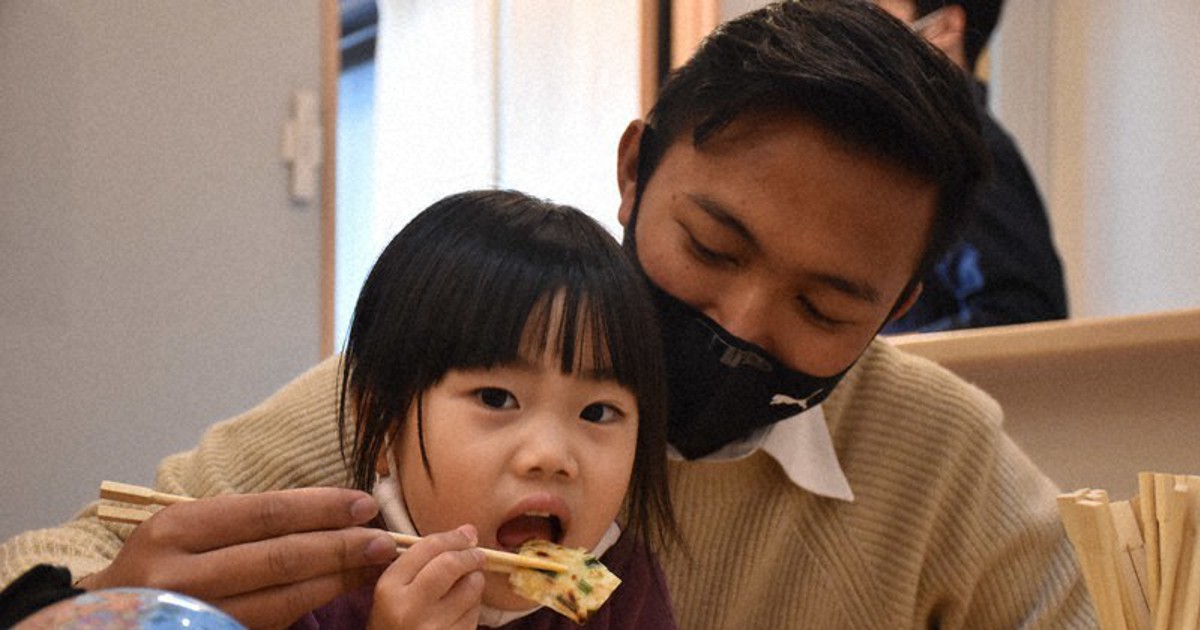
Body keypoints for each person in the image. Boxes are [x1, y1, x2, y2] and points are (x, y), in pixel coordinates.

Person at [0, 2, 1095, 628]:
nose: (741, 321)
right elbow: (62, 553)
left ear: (898, 308)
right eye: (711, 247)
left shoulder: (936, 451)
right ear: (633, 172)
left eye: (825, 304)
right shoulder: (441, 390)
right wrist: (89, 603)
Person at [294, 190, 677, 628]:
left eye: (597, 412)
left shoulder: (626, 587)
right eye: (497, 399)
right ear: (380, 422)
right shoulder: (322, 582)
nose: (551, 457)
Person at [877, 0, 1070, 332]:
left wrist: (872, 363)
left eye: (874, 10)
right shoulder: (908, 142)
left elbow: (1020, 315)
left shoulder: (961, 147)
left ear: (944, 27)